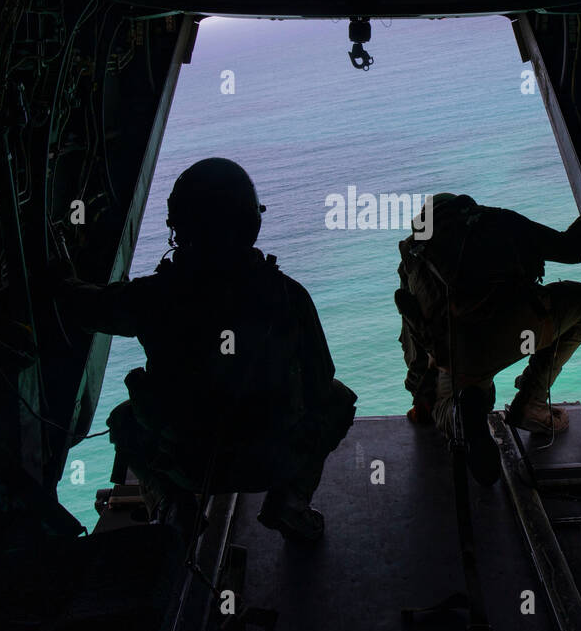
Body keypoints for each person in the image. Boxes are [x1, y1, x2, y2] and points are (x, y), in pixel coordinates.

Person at [54, 157, 356, 542]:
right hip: (272, 459)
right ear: (251, 222)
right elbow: (320, 380)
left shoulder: (153, 298)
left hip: (189, 464)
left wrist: (60, 277)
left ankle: (175, 508)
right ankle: (291, 501)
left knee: (124, 422)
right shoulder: (288, 294)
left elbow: (89, 307)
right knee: (339, 400)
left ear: (179, 228)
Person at [395, 193, 581, 484]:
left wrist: (422, 399)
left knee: (454, 403)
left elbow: (414, 334)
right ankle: (530, 402)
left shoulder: (414, 258)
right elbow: (573, 249)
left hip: (462, 354)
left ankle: (458, 414)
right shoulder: (499, 220)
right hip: (521, 331)